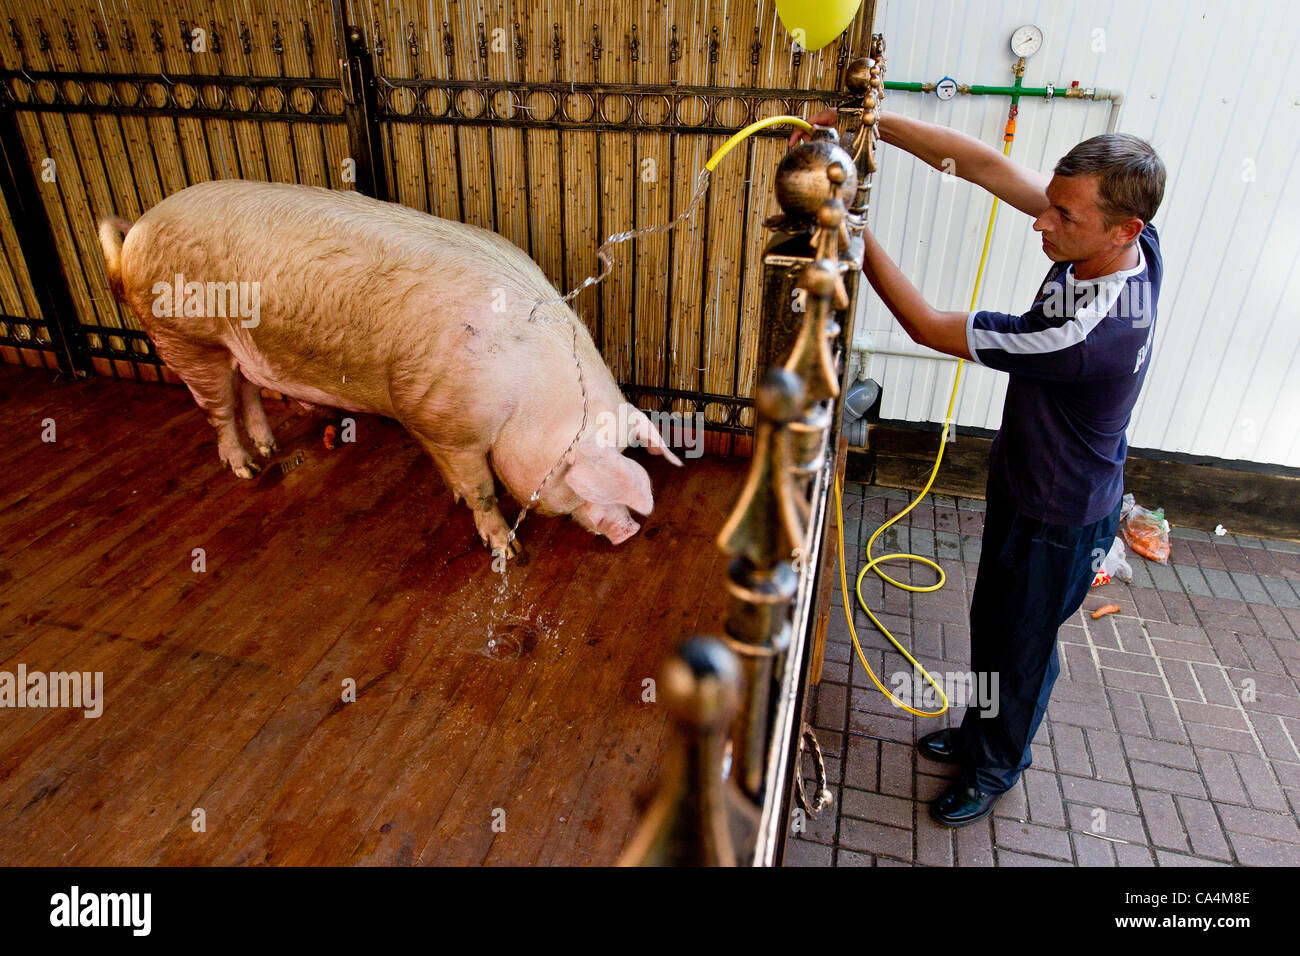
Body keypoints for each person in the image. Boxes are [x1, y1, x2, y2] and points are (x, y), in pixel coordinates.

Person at [796, 108, 1167, 826]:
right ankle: (980, 731)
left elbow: (928, 326)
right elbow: (989, 168)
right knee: (996, 623)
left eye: (1064, 216)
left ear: (1122, 229)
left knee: (1022, 645)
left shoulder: (1084, 335)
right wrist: (874, 123)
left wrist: (849, 227)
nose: (1042, 224)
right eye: (1052, 202)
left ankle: (998, 764)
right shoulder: (1131, 236)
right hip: (1032, 479)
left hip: (1059, 511)